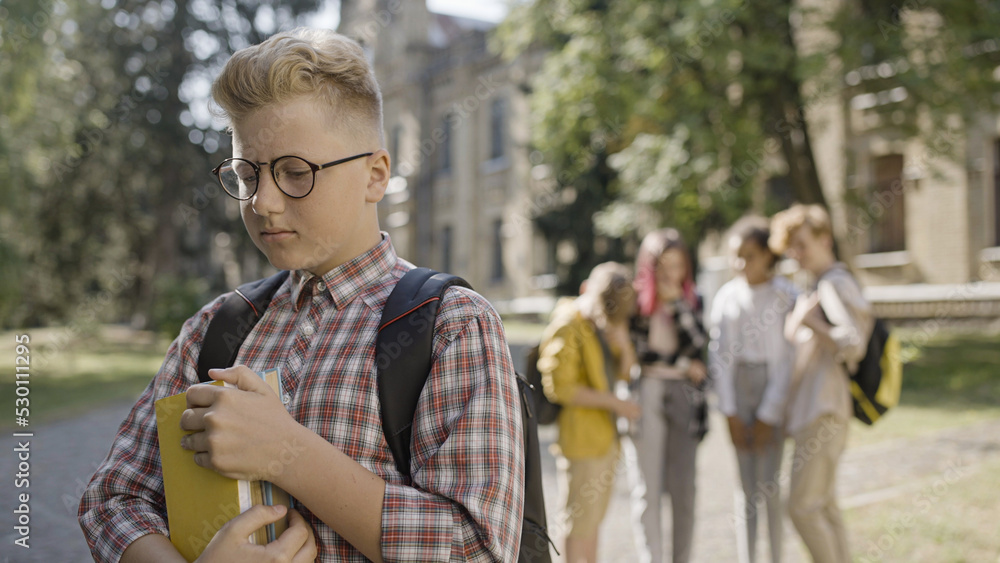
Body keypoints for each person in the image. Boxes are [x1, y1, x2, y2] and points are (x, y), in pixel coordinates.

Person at [77, 28, 524, 563]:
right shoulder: (217, 328)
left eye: (295, 173)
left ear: (374, 175)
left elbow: (475, 548)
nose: (262, 202)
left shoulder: (451, 325)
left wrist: (286, 453)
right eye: (246, 174)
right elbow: (113, 497)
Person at [769, 204, 872, 563]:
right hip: (817, 408)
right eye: (791, 247)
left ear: (824, 239)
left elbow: (853, 343)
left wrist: (811, 323)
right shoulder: (819, 284)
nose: (796, 254)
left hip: (824, 409)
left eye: (802, 244)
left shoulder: (833, 283)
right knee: (823, 506)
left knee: (802, 508)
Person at [537, 262, 642, 563]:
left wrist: (623, 343)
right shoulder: (568, 324)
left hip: (606, 440)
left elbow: (624, 375)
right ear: (588, 290)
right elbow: (559, 386)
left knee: (593, 521)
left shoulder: (604, 322)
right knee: (577, 522)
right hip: (582, 441)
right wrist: (614, 403)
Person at [708, 217, 797, 563]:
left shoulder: (786, 295)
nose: (740, 264)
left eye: (749, 255)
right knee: (745, 488)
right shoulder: (727, 296)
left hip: (772, 393)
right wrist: (730, 412)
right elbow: (720, 357)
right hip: (738, 392)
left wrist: (768, 415)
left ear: (767, 256)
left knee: (770, 485)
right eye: (736, 256)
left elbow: (787, 360)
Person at [628, 228, 709, 563]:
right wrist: (681, 363)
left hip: (685, 398)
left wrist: (676, 304)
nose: (670, 274)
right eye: (663, 266)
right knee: (647, 488)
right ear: (649, 267)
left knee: (683, 490)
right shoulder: (636, 302)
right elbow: (643, 354)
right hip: (647, 392)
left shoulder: (693, 300)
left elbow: (699, 346)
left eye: (677, 266)